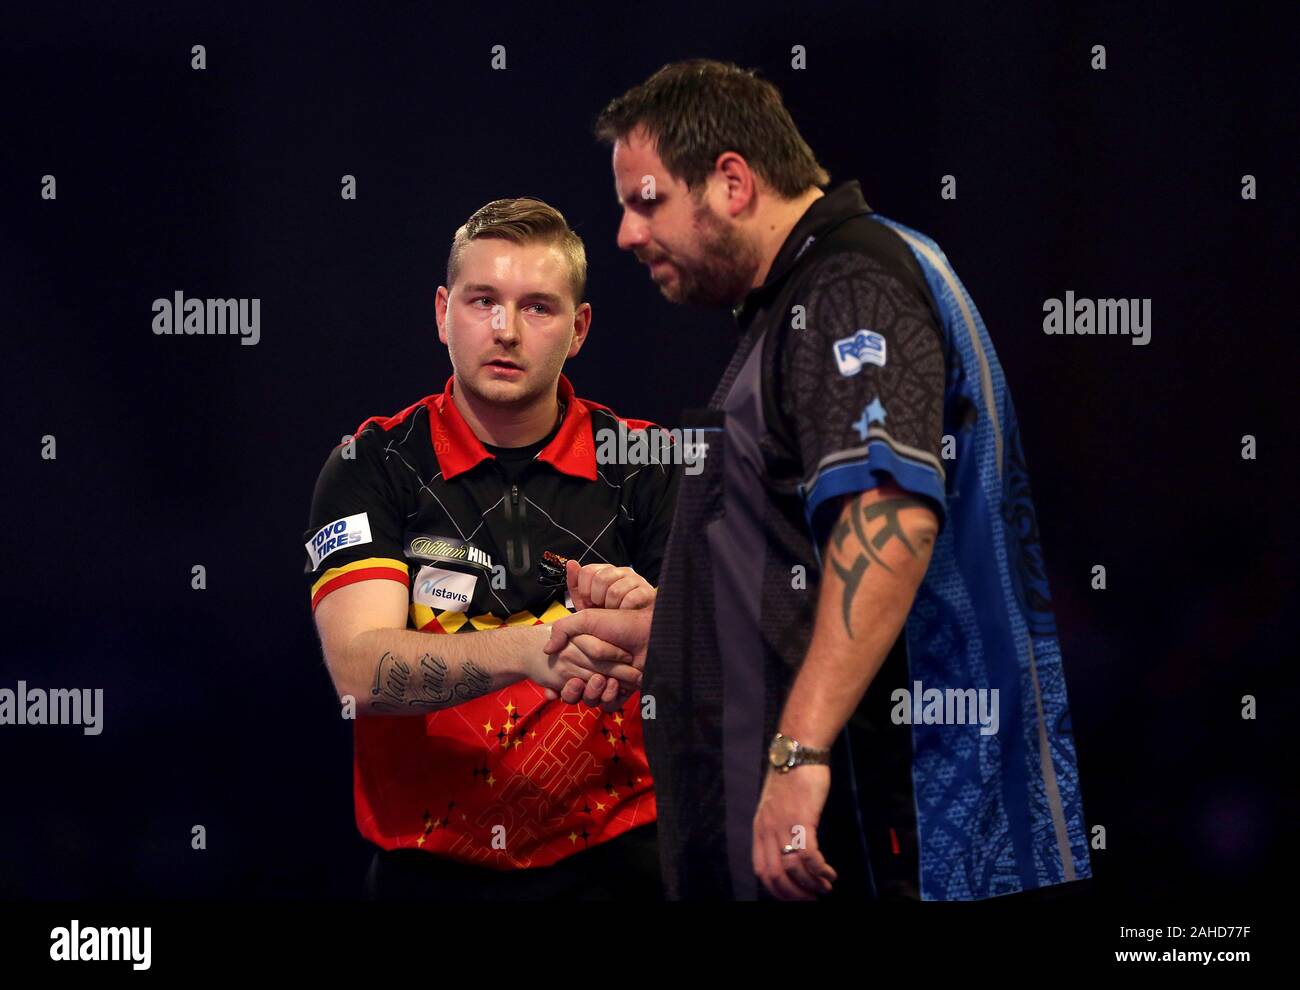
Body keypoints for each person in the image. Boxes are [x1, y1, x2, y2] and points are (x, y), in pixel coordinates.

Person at [545, 59, 1091, 901]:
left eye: (646, 200)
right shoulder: (819, 291)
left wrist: (797, 756)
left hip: (893, 837)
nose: (623, 233)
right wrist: (680, 632)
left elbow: (891, 523)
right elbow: (807, 561)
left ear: (731, 182)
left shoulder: (849, 287)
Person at [301, 197, 677, 900]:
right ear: (443, 311)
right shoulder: (372, 464)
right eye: (483, 301)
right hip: (431, 876)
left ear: (579, 328)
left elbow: (727, 668)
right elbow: (357, 670)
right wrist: (532, 651)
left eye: (538, 307)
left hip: (621, 864)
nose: (506, 331)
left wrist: (658, 623)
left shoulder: (649, 461)